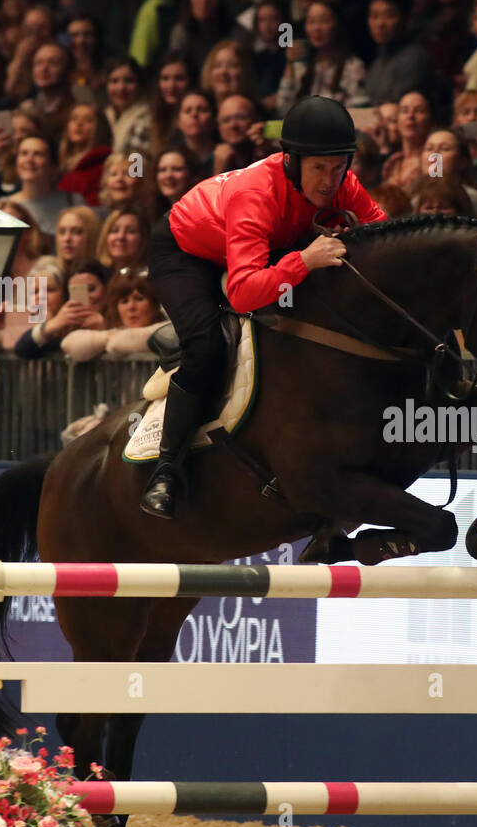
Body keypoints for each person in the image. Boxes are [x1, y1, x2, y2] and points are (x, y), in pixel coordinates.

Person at [142, 96, 387, 519]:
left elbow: (384, 238)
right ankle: (167, 471)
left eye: (338, 167)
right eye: (319, 169)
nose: (330, 182)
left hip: (260, 248)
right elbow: (242, 293)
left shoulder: (342, 182)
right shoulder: (256, 194)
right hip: (185, 254)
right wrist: (304, 260)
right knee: (206, 347)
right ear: (291, 161)